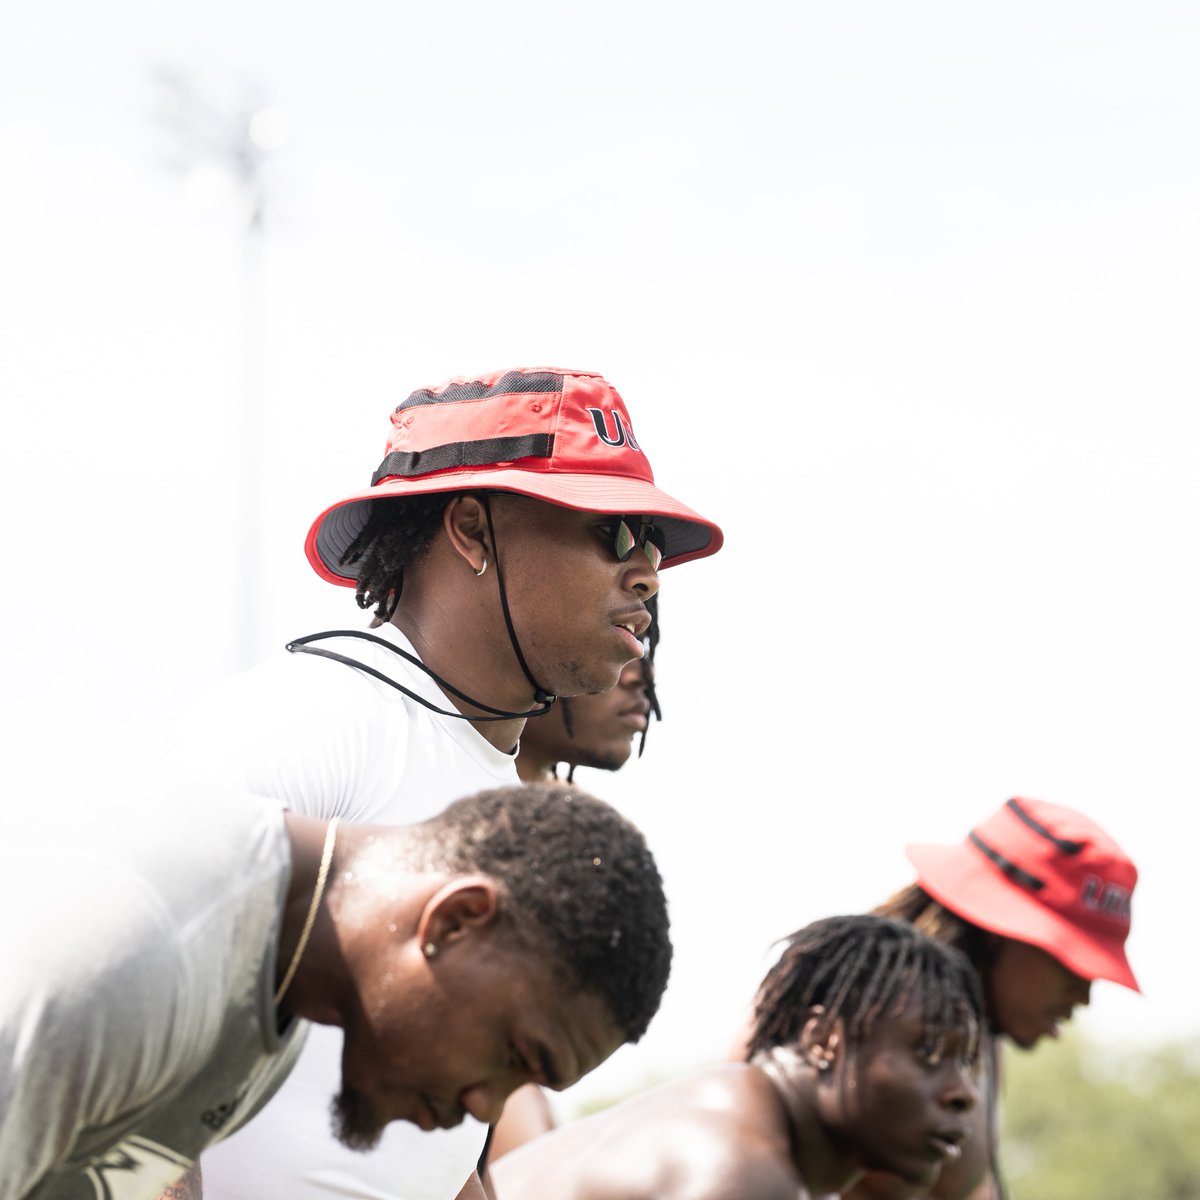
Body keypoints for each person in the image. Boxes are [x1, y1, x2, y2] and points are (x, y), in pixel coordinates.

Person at [160, 366, 722, 1200]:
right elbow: (116, 1033)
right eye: (613, 532)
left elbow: (442, 1159)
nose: (646, 573)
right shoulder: (311, 719)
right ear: (471, 529)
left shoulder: (508, 806)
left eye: (651, 543)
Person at [0, 778, 673, 1200]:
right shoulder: (134, 943)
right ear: (456, 920)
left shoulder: (270, 989)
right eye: (513, 1055)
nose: (484, 1107)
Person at [724, 797, 1140, 1200]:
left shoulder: (970, 1040)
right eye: (1071, 964)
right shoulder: (844, 1015)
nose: (1084, 996)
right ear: (999, 932)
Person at [490, 914, 983, 1200]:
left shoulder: (734, 1118)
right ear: (824, 1040)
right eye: (928, 1052)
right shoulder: (739, 1172)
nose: (964, 1094)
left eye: (965, 1064)